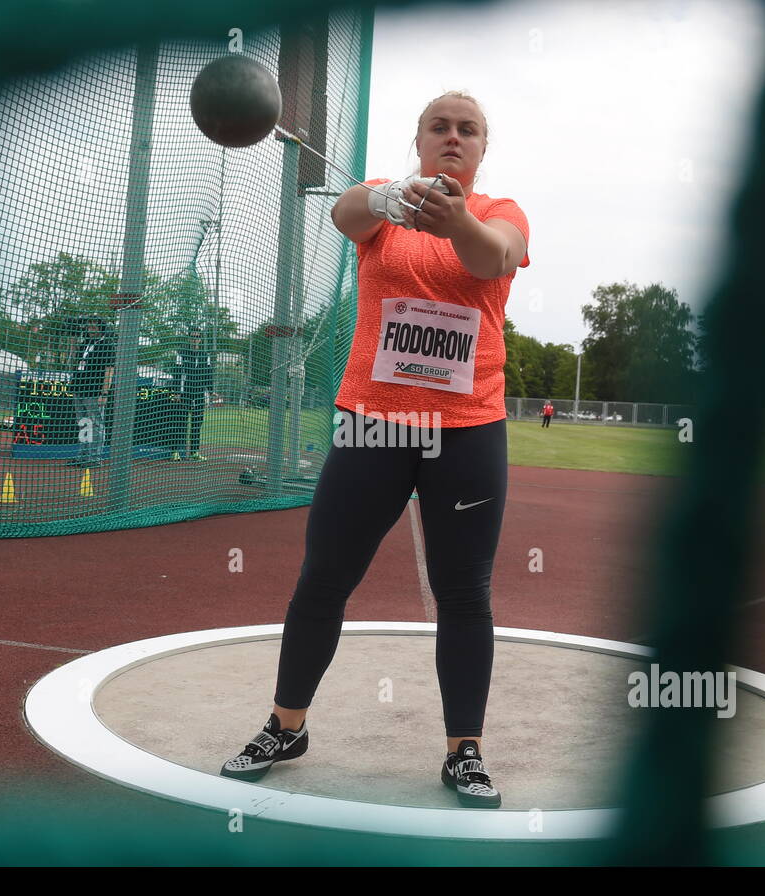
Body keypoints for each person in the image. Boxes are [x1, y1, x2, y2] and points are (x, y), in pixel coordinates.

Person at [221, 91, 530, 809]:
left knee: (464, 593)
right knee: (324, 578)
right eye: (440, 127)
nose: (453, 137)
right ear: (419, 139)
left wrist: (455, 221)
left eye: (468, 130)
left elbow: (495, 260)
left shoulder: (499, 212)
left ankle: (465, 751)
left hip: (466, 429)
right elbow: (344, 213)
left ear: (483, 148)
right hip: (375, 424)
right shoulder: (382, 206)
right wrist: (393, 198)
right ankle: (285, 725)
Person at [68, 315, 115, 466]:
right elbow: (74, 358)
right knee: (83, 423)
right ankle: (83, 456)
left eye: (94, 327)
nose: (90, 329)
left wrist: (104, 393)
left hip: (94, 391)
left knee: (95, 423)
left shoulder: (107, 345)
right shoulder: (86, 343)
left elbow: (109, 370)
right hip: (79, 387)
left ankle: (95, 458)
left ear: (101, 328)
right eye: (89, 327)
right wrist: (73, 339)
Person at [178, 329, 214, 461]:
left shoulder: (205, 355)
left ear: (200, 339)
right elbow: (177, 373)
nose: (195, 339)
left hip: (199, 392)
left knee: (197, 422)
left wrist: (211, 390)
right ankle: (177, 450)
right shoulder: (181, 353)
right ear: (189, 338)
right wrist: (177, 392)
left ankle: (194, 452)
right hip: (184, 391)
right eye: (192, 336)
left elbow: (208, 374)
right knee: (181, 421)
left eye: (197, 337)